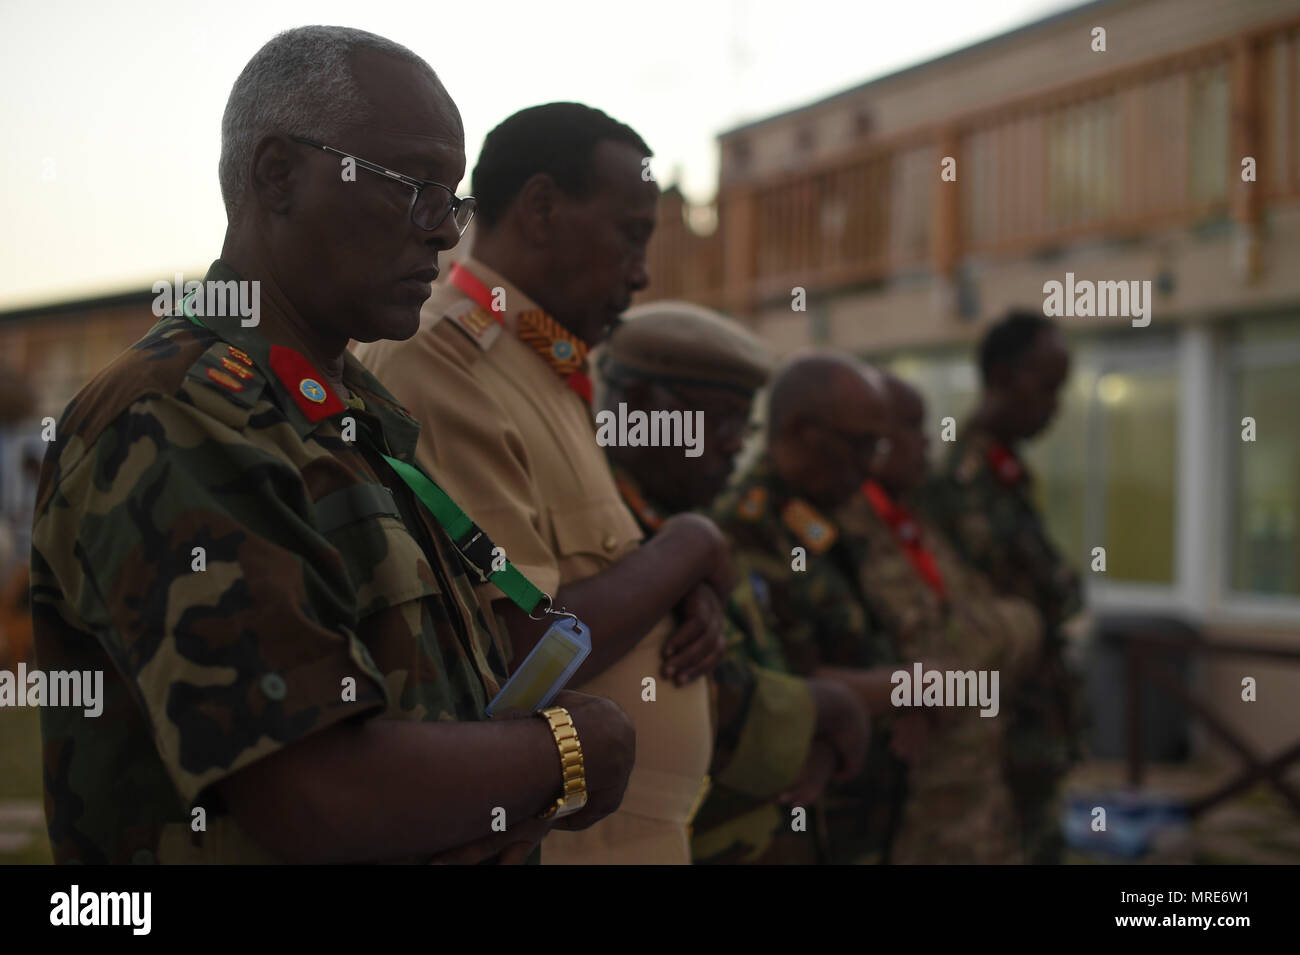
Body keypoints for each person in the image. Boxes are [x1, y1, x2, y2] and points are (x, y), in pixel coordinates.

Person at [29, 26, 634, 865]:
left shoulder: (349, 410)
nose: (440, 234)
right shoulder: (176, 416)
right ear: (278, 174)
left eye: (450, 200)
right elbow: (316, 793)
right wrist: (567, 750)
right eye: (413, 188)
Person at [354, 104, 732, 864]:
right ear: (541, 209)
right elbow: (518, 642)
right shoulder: (443, 363)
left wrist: (671, 586)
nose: (642, 271)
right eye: (630, 233)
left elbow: (595, 577)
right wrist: (688, 546)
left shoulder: (546, 365)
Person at [598, 302, 869, 864]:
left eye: (741, 425)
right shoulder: (606, 532)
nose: (734, 445)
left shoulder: (684, 520)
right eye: (718, 422)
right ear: (642, 407)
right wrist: (825, 710)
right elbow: (680, 699)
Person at [713, 352, 915, 864]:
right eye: (859, 443)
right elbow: (773, 682)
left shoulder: (817, 518)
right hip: (793, 819)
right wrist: (911, 688)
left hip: (857, 807)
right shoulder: (747, 530)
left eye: (879, 444)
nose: (871, 462)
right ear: (804, 432)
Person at [838, 372, 1041, 863]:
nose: (928, 441)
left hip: (974, 808)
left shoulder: (914, 525)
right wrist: (932, 677)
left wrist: (944, 675)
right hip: (910, 818)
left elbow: (1021, 625)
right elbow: (899, 663)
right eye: (911, 426)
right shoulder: (843, 535)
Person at [923, 309, 1083, 864]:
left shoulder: (1006, 472)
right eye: (1047, 387)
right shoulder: (964, 481)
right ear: (1003, 377)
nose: (1055, 407)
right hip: (997, 722)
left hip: (1034, 716)